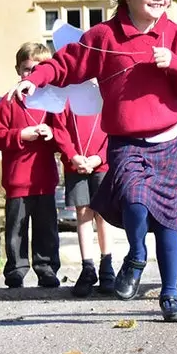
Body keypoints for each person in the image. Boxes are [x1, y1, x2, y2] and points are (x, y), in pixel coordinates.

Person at [11, 0, 177, 322]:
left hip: (169, 141)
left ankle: (170, 295)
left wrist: (176, 64)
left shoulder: (174, 34)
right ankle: (136, 254)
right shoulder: (104, 36)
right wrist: (34, 80)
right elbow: (66, 64)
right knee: (134, 199)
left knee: (168, 221)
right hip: (126, 143)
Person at [0, 43, 65, 289]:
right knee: (16, 229)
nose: (31, 74)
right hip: (17, 179)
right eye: (26, 69)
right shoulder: (9, 101)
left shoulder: (52, 101)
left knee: (46, 229)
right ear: (18, 70)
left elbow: (63, 135)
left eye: (38, 69)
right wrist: (22, 134)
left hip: (43, 177)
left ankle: (47, 268)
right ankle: (16, 268)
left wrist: (51, 133)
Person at [55, 102, 117, 298]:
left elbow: (114, 127)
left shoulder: (103, 95)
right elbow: (59, 129)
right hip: (76, 165)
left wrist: (99, 158)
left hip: (102, 163)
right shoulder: (67, 97)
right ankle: (87, 267)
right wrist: (73, 156)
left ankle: (107, 266)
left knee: (103, 214)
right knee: (83, 213)